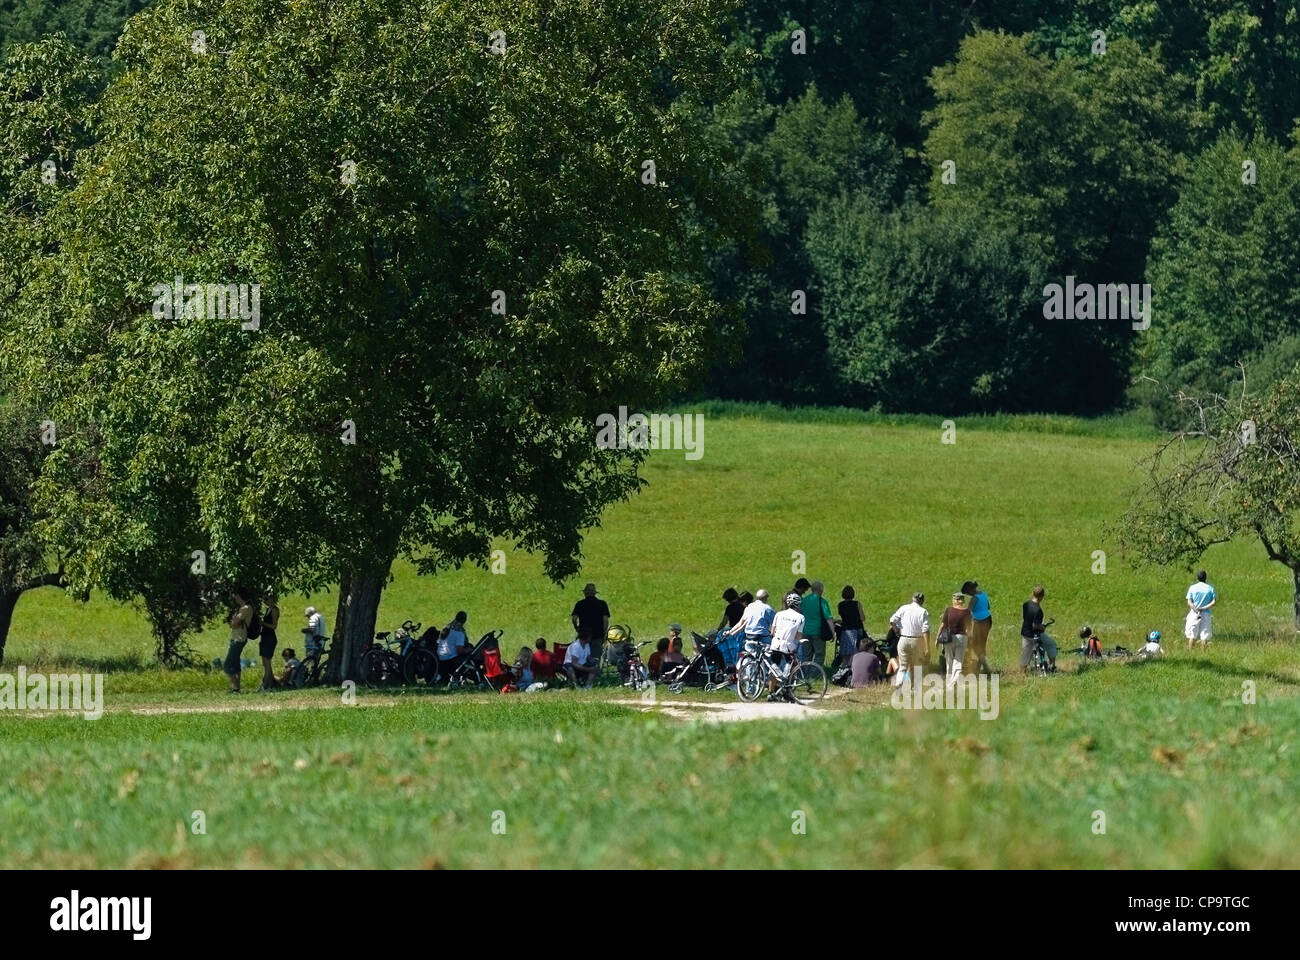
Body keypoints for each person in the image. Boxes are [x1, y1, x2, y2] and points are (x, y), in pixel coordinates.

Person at [768, 592, 805, 699]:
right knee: (793, 667)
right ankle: (787, 691)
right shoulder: (800, 617)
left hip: (776, 644)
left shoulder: (778, 614)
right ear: (798, 604)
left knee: (775, 667)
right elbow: (798, 637)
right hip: (789, 646)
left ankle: (771, 693)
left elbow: (772, 631)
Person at [889, 592, 930, 687]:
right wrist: (927, 647)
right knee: (917, 666)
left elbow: (892, 620)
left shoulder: (904, 608)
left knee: (903, 666)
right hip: (917, 640)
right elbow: (925, 630)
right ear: (922, 601)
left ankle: (899, 683)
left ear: (913, 598)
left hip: (903, 639)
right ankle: (914, 686)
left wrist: (896, 631)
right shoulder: (923, 611)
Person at [1019, 585, 1057, 671]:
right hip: (1034, 635)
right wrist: (1042, 627)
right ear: (1042, 597)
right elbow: (1035, 625)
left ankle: (1022, 673)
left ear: (1033, 593)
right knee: (1051, 644)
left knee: (1025, 654)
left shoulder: (1025, 604)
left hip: (1025, 633)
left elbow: (1026, 618)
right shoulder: (1038, 610)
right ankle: (1052, 665)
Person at [940, 591, 973, 688]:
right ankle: (952, 683)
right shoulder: (967, 612)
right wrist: (970, 638)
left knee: (949, 661)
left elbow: (942, 625)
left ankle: (948, 683)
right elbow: (968, 628)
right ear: (962, 601)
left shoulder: (949, 610)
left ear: (955, 600)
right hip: (962, 638)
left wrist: (937, 639)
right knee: (958, 662)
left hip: (949, 638)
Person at [571, 583, 611, 661]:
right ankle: (594, 672)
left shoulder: (580, 604)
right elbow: (605, 620)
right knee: (595, 660)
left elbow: (574, 619)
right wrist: (604, 632)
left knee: (582, 659)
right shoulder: (602, 604)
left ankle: (584, 672)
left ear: (585, 593)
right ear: (594, 593)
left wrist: (577, 628)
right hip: (597, 635)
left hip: (583, 635)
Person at [224, 589, 253, 693]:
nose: (235, 598)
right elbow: (235, 623)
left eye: (236, 596)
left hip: (239, 639)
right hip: (238, 638)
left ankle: (235, 688)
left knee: (227, 665)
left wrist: (233, 621)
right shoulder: (243, 608)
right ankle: (237, 688)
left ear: (240, 596)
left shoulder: (245, 608)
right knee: (235, 664)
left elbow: (234, 623)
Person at [963, 580, 994, 675]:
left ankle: (986, 667)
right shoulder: (983, 594)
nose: (968, 595)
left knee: (975, 645)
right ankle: (979, 667)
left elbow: (968, 612)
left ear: (970, 590)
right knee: (982, 644)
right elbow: (988, 606)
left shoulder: (974, 599)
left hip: (979, 622)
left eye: (967, 593)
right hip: (988, 620)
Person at [800, 581, 834, 666]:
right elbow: (828, 618)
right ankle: (814, 674)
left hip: (805, 631)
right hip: (818, 632)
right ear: (820, 590)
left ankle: (805, 675)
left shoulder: (804, 601)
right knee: (819, 655)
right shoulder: (822, 601)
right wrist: (832, 633)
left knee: (806, 655)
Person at [837, 585, 866, 669]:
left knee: (845, 654)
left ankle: (841, 671)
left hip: (845, 631)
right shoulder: (857, 604)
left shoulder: (840, 605)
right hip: (855, 630)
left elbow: (844, 618)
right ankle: (850, 669)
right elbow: (862, 618)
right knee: (854, 652)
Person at [1185, 570, 1216, 649]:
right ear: (1206, 578)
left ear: (1197, 578)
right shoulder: (1210, 588)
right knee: (1204, 635)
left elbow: (1189, 601)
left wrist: (1195, 609)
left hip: (1194, 613)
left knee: (1192, 635)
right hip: (1205, 613)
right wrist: (1204, 607)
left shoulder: (1192, 588)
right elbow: (1214, 601)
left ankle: (1190, 652)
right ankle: (1203, 653)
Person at [259, 593, 281, 692]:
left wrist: (262, 623)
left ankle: (266, 685)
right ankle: (271, 683)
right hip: (264, 637)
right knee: (264, 662)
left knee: (267, 662)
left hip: (270, 637)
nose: (265, 601)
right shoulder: (268, 609)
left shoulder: (275, 610)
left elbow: (274, 626)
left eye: (266, 599)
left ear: (272, 599)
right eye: (264, 599)